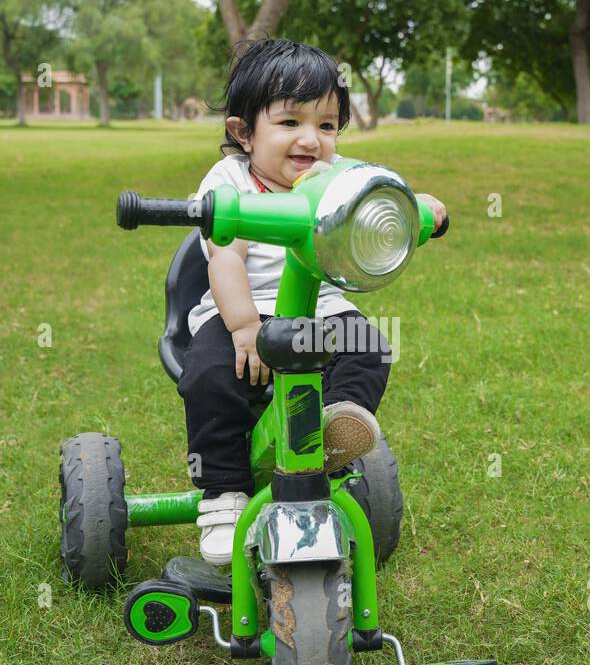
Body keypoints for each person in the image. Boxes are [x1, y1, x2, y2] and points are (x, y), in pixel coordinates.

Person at [177, 37, 448, 566]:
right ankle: (224, 495)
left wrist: (421, 206)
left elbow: (380, 191)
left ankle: (335, 425)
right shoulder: (230, 181)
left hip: (321, 307)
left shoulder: (335, 179)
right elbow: (225, 259)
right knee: (210, 376)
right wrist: (243, 327)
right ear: (243, 132)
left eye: (326, 125)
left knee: (367, 346)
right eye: (290, 123)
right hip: (243, 310)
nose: (311, 140)